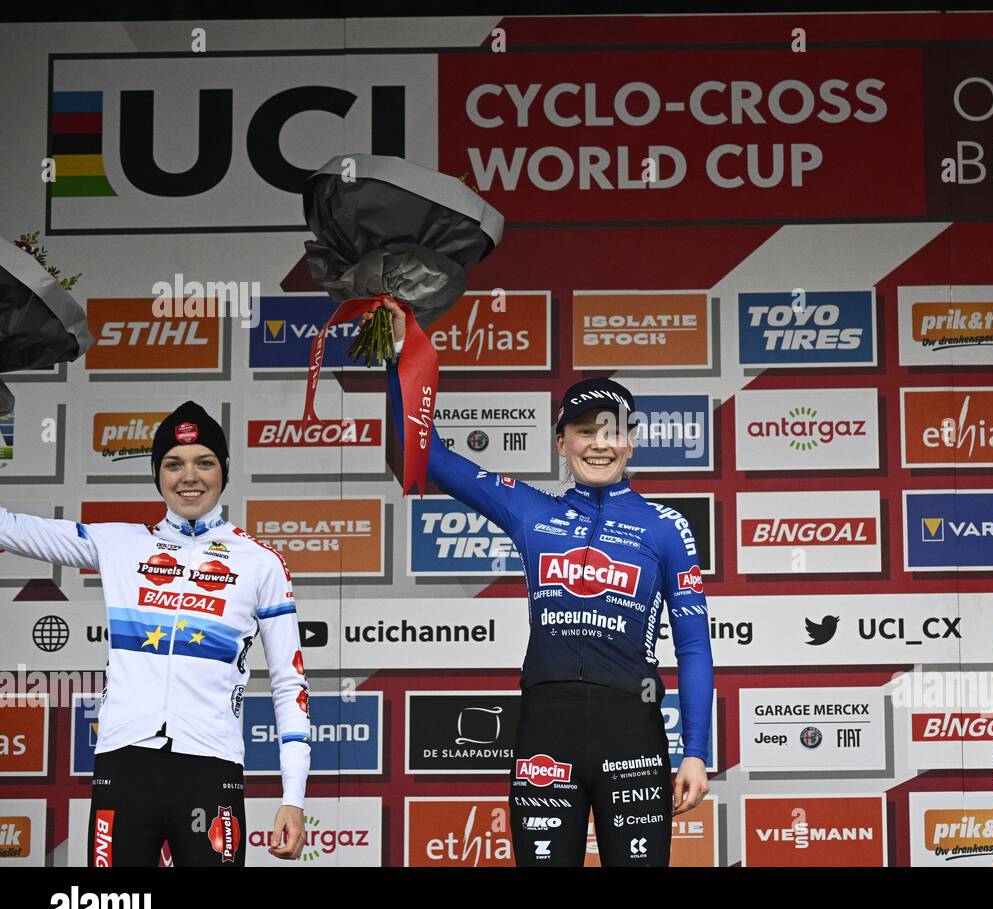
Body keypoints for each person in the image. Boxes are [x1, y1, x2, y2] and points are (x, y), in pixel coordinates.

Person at [373, 296, 713, 866]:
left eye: (612, 431)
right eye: (584, 431)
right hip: (547, 728)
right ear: (561, 442)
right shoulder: (532, 512)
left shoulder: (665, 527)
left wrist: (696, 752)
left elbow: (694, 646)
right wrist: (398, 358)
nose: (599, 443)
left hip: (631, 725)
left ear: (631, 441)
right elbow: (424, 454)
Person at [0, 402, 310, 865]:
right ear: (157, 474)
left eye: (204, 462)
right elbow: (10, 529)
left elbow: (290, 684)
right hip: (124, 765)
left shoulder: (261, 563)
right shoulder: (120, 544)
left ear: (224, 470)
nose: (190, 477)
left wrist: (294, 796)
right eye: (173, 464)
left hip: (211, 766)